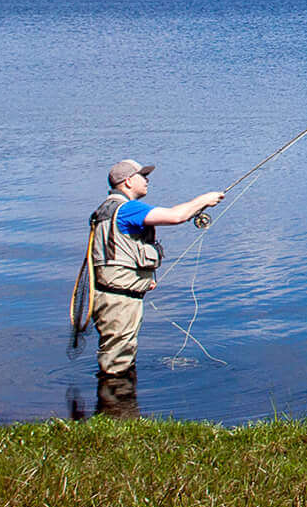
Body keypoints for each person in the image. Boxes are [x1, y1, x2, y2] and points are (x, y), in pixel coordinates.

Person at [84, 159, 224, 403]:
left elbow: (117, 253)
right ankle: (116, 420)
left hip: (114, 297)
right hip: (119, 301)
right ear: (128, 181)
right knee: (116, 365)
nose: (147, 179)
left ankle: (118, 414)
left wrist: (142, 280)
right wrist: (205, 199)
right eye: (142, 175)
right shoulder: (127, 209)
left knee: (118, 357)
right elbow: (176, 216)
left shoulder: (107, 209)